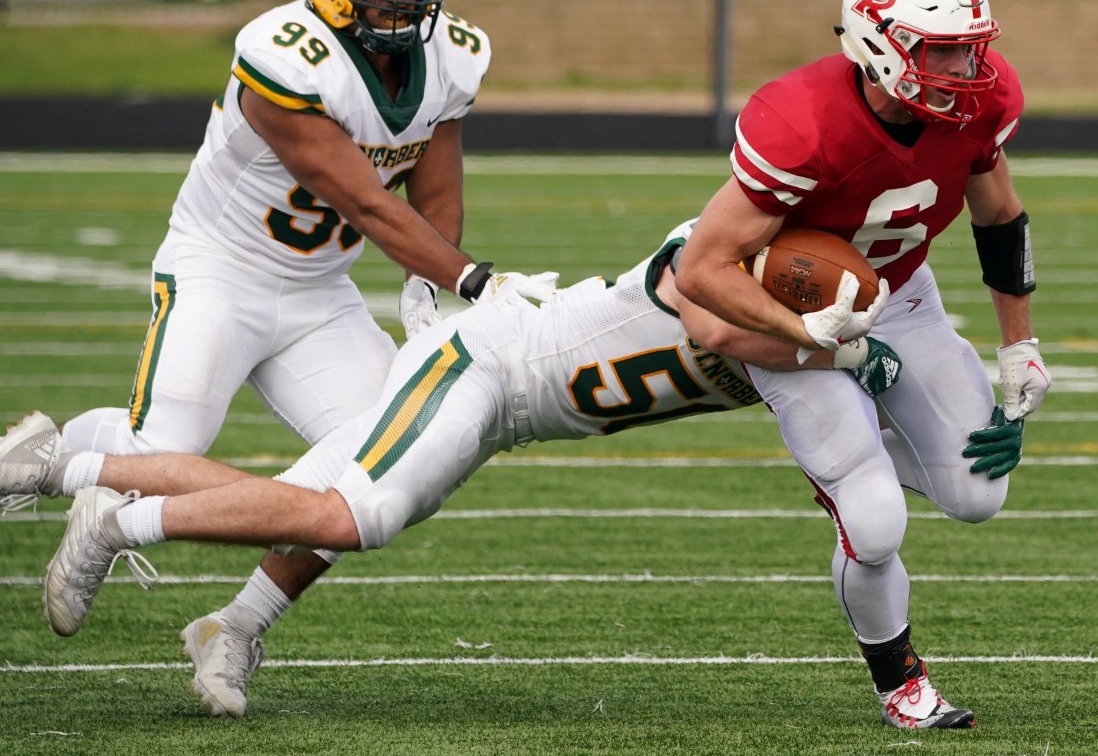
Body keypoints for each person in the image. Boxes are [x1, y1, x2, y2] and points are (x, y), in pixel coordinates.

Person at [0, 0, 551, 717]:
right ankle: (53, 461)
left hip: (318, 290)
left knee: (385, 470)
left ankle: (239, 625)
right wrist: (475, 281)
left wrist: (425, 288)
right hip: (220, 267)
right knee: (163, 444)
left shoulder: (449, 56)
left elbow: (431, 193)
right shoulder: (282, 53)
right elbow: (367, 200)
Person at [11, 219, 904, 711]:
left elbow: (854, 433)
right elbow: (709, 319)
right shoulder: (706, 254)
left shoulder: (818, 339)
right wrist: (802, 330)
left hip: (509, 412)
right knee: (355, 516)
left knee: (308, 498)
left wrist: (864, 360)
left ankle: (77, 482)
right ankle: (113, 516)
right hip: (487, 365)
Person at [673, 0, 1051, 730]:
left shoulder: (980, 102)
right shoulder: (803, 119)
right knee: (876, 520)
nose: (964, 70)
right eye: (941, 50)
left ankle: (874, 447)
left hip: (900, 295)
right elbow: (704, 268)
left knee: (979, 492)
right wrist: (815, 337)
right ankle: (902, 681)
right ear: (879, 39)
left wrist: (1018, 344)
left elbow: (999, 215)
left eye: (970, 49)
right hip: (783, 307)